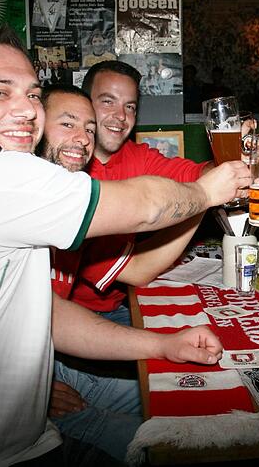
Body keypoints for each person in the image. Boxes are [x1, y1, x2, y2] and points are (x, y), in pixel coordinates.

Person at [0, 26, 251, 466]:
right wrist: (208, 194)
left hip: (19, 438)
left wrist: (160, 346)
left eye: (32, 95)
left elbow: (47, 315)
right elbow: (146, 206)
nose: (25, 109)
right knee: (209, 444)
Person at [43, 61, 214, 459]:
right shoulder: (61, 189)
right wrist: (205, 197)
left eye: (131, 107)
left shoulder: (83, 178)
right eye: (106, 103)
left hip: (77, 329)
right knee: (173, 441)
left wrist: (223, 165)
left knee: (195, 400)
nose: (119, 117)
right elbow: (137, 269)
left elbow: (48, 315)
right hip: (53, 359)